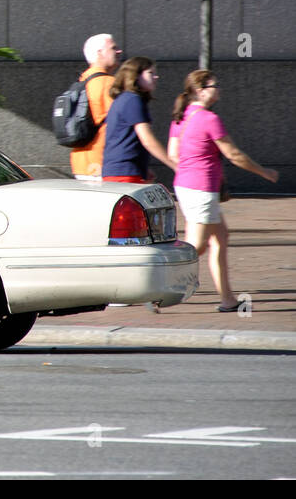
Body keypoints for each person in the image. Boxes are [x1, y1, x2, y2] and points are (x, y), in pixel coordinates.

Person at [168, 70, 279, 312]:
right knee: (196, 246)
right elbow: (234, 155)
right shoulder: (208, 118)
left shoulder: (181, 116)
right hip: (200, 188)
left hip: (187, 185)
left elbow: (172, 154)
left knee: (220, 238)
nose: (220, 89)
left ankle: (227, 299)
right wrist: (265, 172)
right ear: (200, 90)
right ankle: (158, 287)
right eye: (214, 85)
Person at [101, 56, 176, 184]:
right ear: (135, 76)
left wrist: (143, 167)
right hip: (125, 173)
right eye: (150, 73)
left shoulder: (122, 99)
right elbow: (147, 140)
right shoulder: (133, 100)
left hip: (118, 171)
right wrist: (175, 165)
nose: (156, 77)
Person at [70, 33, 122, 181]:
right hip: (103, 164)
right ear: (99, 53)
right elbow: (122, 125)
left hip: (81, 163)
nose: (119, 51)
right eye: (114, 48)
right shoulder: (109, 83)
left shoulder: (81, 81)